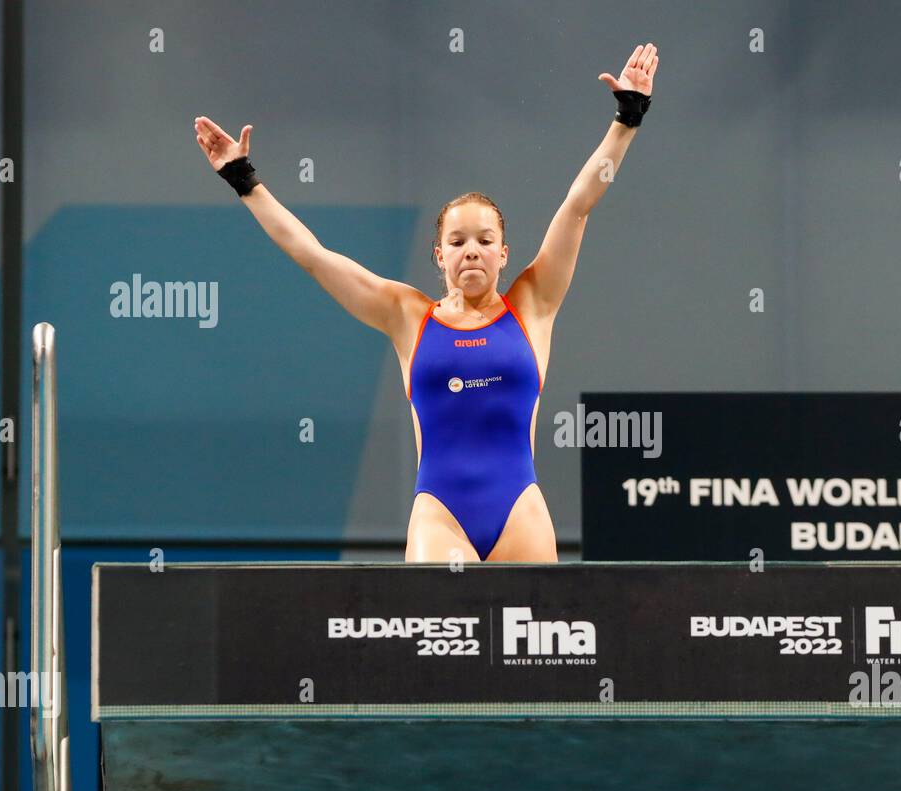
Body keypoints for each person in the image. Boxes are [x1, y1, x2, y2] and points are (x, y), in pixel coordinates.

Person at [194, 43, 658, 562]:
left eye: (485, 240)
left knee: (532, 639)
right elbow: (314, 256)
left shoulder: (534, 303)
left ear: (504, 252)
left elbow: (578, 206)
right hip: (440, 515)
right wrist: (244, 179)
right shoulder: (406, 315)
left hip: (520, 510)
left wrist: (627, 118)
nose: (472, 252)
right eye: (458, 242)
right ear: (439, 255)